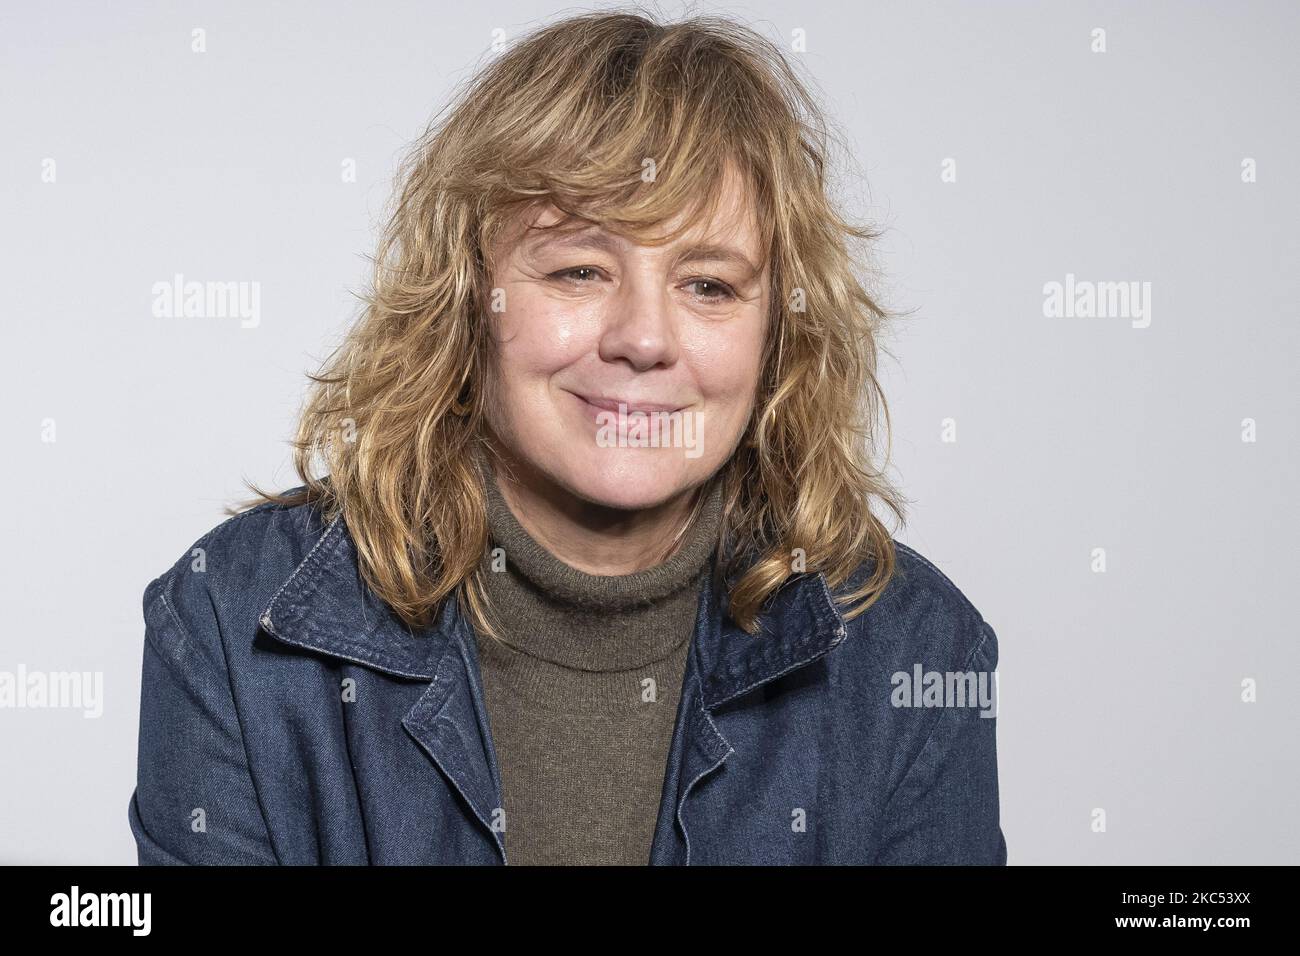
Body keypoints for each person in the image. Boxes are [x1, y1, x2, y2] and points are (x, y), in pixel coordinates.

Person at [128, 10, 1006, 865]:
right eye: (580, 270)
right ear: (466, 296)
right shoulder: (233, 620)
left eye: (709, 285)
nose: (645, 337)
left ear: (778, 329)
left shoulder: (915, 654)